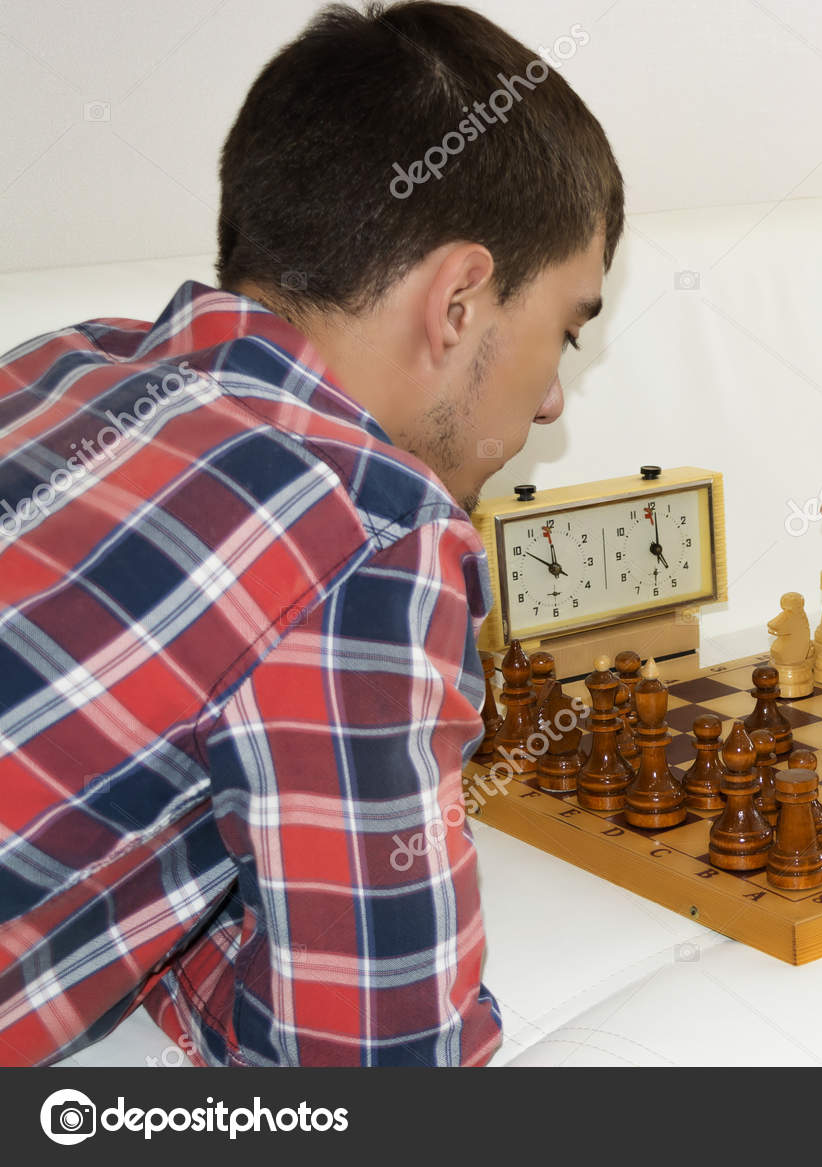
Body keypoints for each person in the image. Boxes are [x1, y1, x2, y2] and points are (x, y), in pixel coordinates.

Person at [0, 1, 622, 1065]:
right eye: (564, 330)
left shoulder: (56, 369)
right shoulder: (368, 538)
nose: (555, 398)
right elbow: (379, 1077)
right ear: (459, 300)